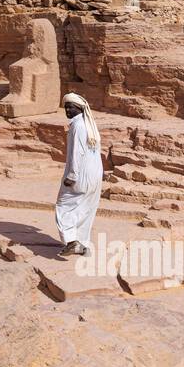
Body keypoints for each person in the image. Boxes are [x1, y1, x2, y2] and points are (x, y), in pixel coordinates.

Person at [55, 92, 103, 257]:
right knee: (85, 209)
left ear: (79, 108)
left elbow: (77, 153)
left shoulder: (77, 126)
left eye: (71, 107)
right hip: (95, 176)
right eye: (66, 107)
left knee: (64, 206)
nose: (67, 110)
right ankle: (83, 246)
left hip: (80, 174)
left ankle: (71, 241)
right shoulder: (89, 124)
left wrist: (72, 176)